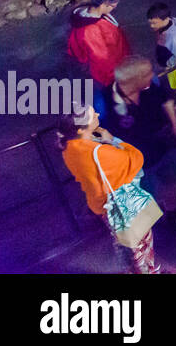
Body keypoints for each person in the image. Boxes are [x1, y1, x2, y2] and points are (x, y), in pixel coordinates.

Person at [61, 105, 161, 273]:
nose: (98, 114)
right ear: (80, 129)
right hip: (124, 204)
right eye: (93, 116)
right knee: (141, 244)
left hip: (103, 207)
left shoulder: (69, 148)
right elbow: (135, 159)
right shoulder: (99, 152)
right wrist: (112, 140)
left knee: (126, 246)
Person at [102, 55, 176, 212]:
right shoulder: (106, 100)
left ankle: (172, 211)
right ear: (134, 80)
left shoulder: (149, 87)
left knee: (170, 181)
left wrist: (174, 124)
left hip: (162, 148)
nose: (152, 75)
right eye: (147, 74)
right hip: (136, 162)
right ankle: (155, 213)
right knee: (147, 191)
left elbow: (166, 100)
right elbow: (103, 133)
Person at [67, 0, 132, 94]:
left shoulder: (91, 14)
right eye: (113, 6)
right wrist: (118, 76)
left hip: (118, 61)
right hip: (109, 72)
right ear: (104, 4)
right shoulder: (90, 31)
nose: (114, 9)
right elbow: (102, 59)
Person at [146, 2, 176, 100]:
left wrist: (168, 64)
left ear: (166, 19)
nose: (151, 26)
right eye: (150, 23)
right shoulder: (174, 21)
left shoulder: (171, 39)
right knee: (175, 84)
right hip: (172, 63)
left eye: (154, 23)